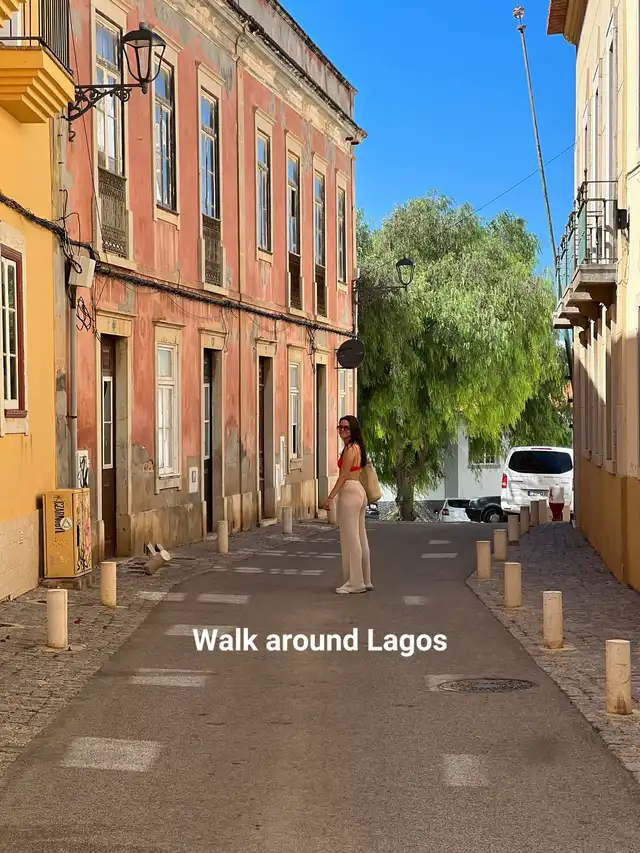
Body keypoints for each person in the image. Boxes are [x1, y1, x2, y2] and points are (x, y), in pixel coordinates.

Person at [321, 415, 372, 594]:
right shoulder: (357, 447)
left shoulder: (350, 449)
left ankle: (355, 583)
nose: (342, 430)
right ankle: (365, 579)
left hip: (350, 491)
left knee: (351, 538)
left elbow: (343, 476)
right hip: (358, 490)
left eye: (346, 428)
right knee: (360, 536)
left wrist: (330, 497)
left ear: (353, 430)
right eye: (340, 427)